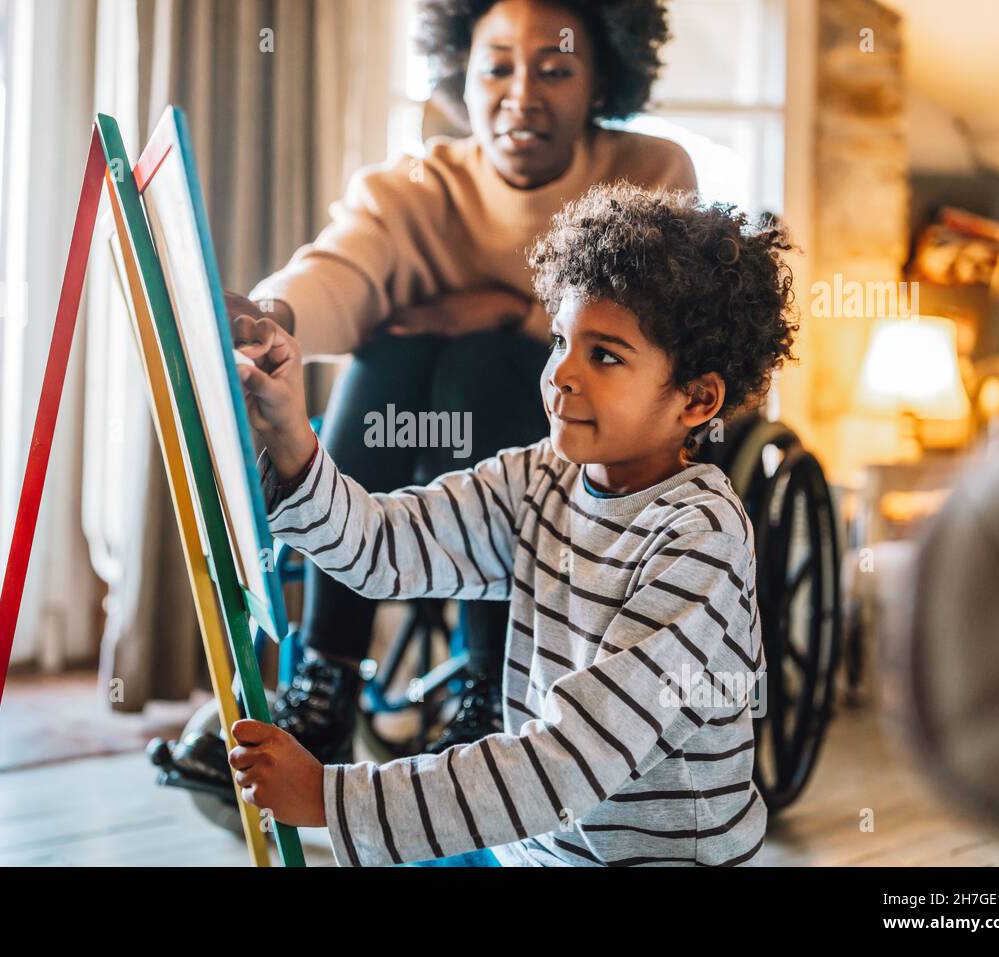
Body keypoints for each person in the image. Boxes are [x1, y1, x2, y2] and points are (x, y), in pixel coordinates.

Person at [191, 0, 698, 790]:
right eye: (496, 66)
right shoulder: (418, 185)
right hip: (418, 433)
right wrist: (271, 317)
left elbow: (647, 320)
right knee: (388, 352)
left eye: (555, 69)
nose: (521, 92)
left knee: (486, 360)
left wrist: (508, 313)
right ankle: (327, 678)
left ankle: (490, 687)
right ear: (462, 71)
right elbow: (345, 268)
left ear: (603, 81)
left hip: (568, 444)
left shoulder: (651, 174)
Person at [225, 183, 797, 866]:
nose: (561, 376)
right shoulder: (536, 478)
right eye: (561, 340)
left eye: (605, 355)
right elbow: (382, 547)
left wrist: (329, 795)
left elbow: (571, 761)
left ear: (698, 399)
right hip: (536, 844)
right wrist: (290, 437)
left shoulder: (701, 537)